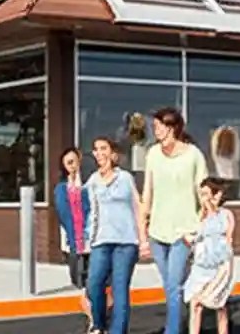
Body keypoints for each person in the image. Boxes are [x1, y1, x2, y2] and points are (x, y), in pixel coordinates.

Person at [141, 107, 209, 334]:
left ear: (171, 127)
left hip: (184, 232)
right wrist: (143, 233)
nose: (155, 130)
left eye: (158, 126)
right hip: (157, 232)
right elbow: (147, 192)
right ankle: (190, 314)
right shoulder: (152, 154)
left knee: (173, 286)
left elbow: (204, 194)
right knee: (172, 285)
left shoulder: (193, 155)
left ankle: (172, 330)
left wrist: (198, 228)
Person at [85, 137, 148, 334]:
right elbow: (86, 210)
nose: (99, 153)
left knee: (120, 289)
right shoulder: (93, 181)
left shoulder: (125, 178)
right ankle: (99, 324)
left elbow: (138, 207)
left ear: (113, 154)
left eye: (103, 148)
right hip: (100, 240)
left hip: (126, 242)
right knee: (93, 284)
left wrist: (143, 239)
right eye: (96, 149)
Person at [183, 178, 236, 334]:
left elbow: (227, 236)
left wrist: (210, 208)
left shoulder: (226, 214)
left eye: (206, 194)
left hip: (219, 265)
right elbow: (193, 235)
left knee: (219, 305)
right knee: (195, 304)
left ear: (217, 195)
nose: (203, 198)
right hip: (201, 266)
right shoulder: (200, 215)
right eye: (201, 194)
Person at [53, 147, 94, 329]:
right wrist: (76, 241)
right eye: (69, 163)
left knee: (95, 283)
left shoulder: (89, 185)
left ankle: (95, 321)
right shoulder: (61, 189)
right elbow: (65, 216)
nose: (73, 166)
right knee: (82, 284)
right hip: (74, 244)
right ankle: (93, 319)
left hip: (92, 242)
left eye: (75, 161)